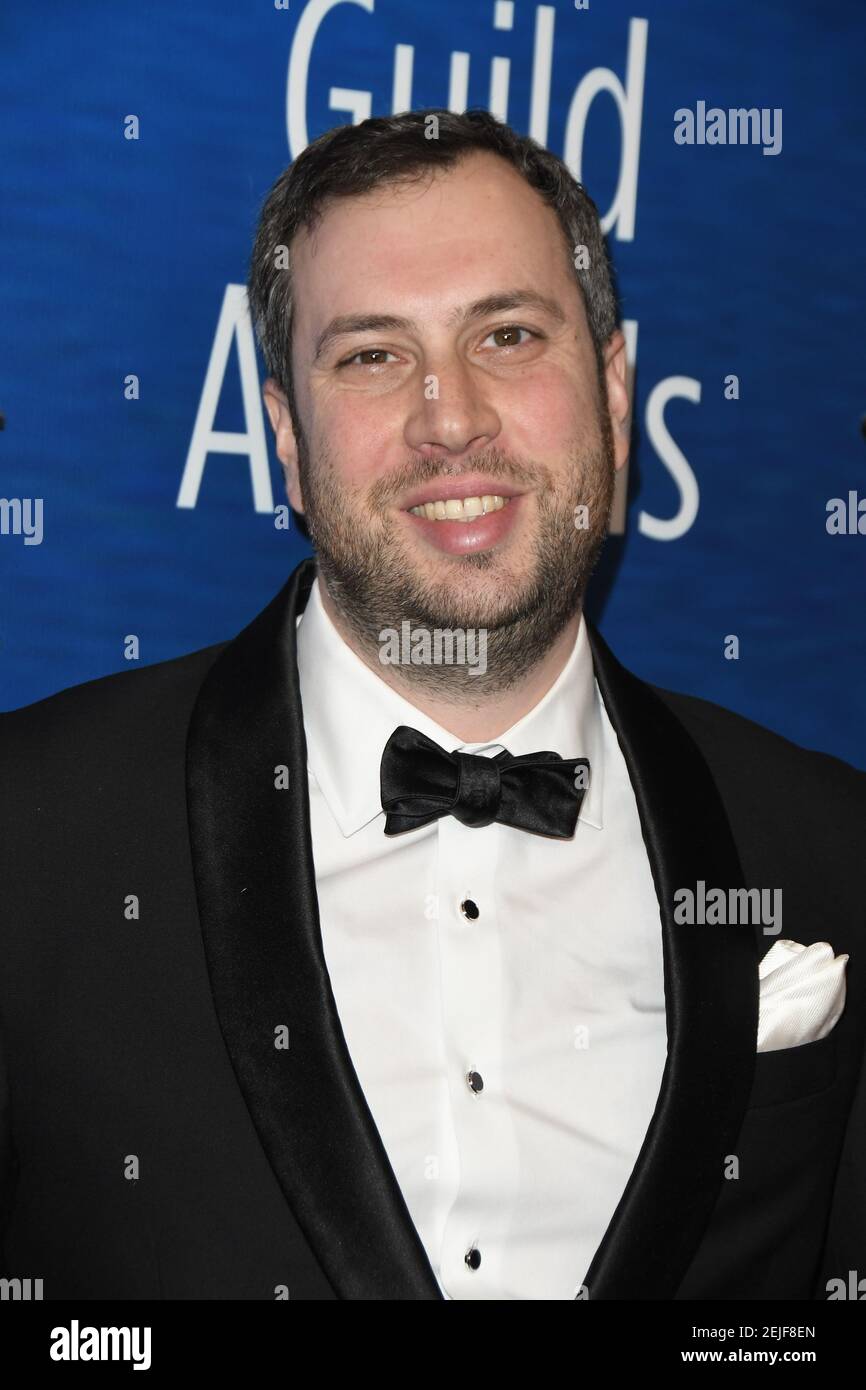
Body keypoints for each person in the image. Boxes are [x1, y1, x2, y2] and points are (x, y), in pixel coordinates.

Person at [1, 108, 863, 1301]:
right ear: (286, 438)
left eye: (506, 334)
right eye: (371, 354)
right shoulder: (30, 835)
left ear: (614, 395)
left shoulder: (828, 843)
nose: (448, 416)